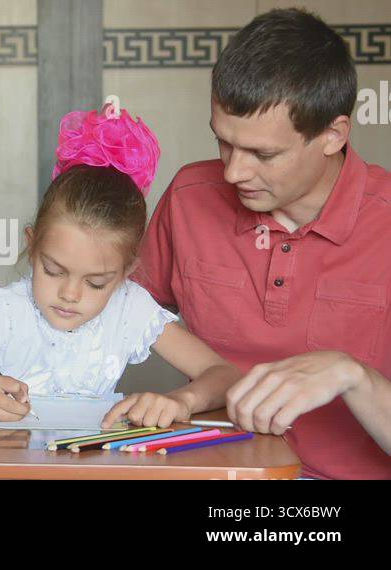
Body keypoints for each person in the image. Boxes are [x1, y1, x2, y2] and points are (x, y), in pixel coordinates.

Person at [117, 8, 391, 479]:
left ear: (333, 135)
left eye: (264, 154)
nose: (233, 172)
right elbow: (107, 316)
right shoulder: (190, 197)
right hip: (205, 475)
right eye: (223, 142)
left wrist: (353, 376)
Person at [0, 104, 241, 424]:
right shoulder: (5, 313)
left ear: (126, 273)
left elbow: (222, 375)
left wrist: (181, 401)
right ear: (32, 248)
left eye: (96, 283)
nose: (70, 293)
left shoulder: (131, 308)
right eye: (53, 270)